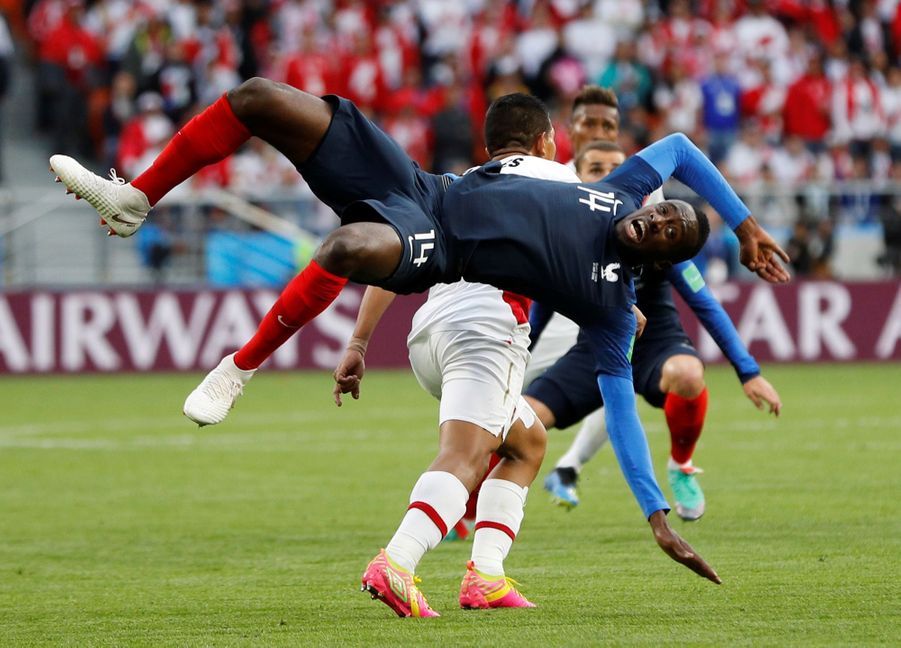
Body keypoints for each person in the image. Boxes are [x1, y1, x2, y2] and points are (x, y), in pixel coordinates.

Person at [50, 80, 789, 597]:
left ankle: (237, 369)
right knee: (257, 98)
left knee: (343, 250)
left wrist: (655, 514)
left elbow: (620, 406)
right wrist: (744, 223)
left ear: (657, 258)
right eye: (664, 214)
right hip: (423, 184)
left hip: (435, 241)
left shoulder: (606, 303)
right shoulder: (623, 187)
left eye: (665, 233)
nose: (654, 220)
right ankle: (135, 197)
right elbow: (684, 147)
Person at [336, 126, 580, 616]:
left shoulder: (455, 184)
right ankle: (397, 562)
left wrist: (359, 341)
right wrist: (616, 308)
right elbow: (577, 257)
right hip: (486, 334)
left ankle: (486, 577)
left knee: (527, 443)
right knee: (466, 457)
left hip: (429, 335)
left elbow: (398, 257)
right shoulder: (558, 179)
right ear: (542, 141)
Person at [535, 141, 782, 519]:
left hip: (657, 345)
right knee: (516, 423)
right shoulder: (574, 232)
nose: (605, 177)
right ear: (579, 176)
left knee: (687, 373)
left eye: (613, 168)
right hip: (597, 350)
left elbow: (705, 304)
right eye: (596, 169)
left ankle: (680, 464)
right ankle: (464, 514)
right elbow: (544, 299)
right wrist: (519, 353)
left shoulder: (654, 236)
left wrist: (748, 371)